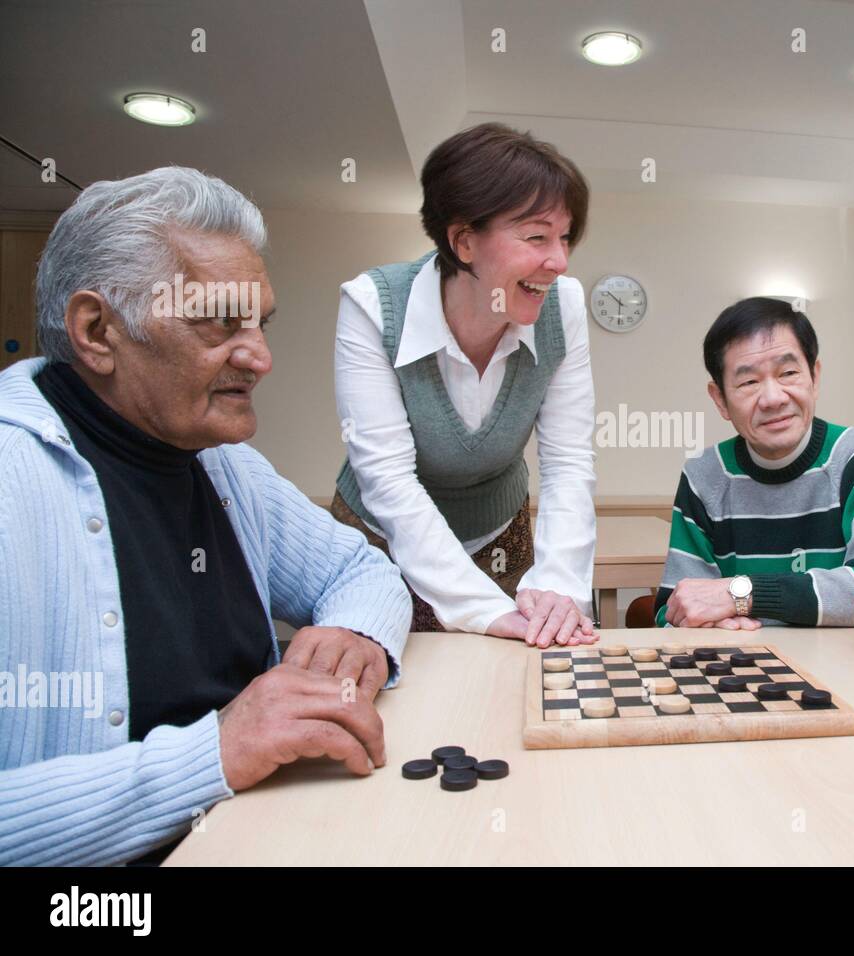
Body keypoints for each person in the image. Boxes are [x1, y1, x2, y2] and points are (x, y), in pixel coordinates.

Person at [0, 167, 413, 864]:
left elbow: (360, 568)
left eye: (257, 323)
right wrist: (214, 753)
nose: (259, 357)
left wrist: (353, 629)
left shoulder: (223, 465)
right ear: (98, 331)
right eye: (219, 323)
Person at [333, 123, 598, 648]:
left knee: (512, 685)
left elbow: (568, 461)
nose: (560, 261)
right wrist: (480, 608)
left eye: (565, 237)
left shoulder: (564, 304)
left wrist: (559, 589)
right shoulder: (371, 305)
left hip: (501, 535)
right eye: (537, 237)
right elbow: (387, 477)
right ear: (464, 241)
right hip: (381, 541)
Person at [654, 297, 854, 629]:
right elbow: (674, 608)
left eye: (788, 373)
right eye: (749, 382)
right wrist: (700, 621)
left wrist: (743, 595)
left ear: (814, 377)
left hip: (848, 671)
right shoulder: (704, 476)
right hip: (740, 672)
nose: (773, 398)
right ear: (719, 399)